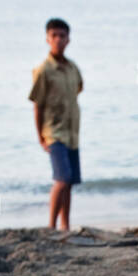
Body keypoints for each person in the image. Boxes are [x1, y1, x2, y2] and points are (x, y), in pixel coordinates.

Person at [29, 18, 83, 231]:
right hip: (53, 132)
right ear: (47, 39)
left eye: (62, 36)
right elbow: (37, 105)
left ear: (68, 39)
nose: (59, 40)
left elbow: (79, 89)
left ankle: (65, 225)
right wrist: (40, 136)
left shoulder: (72, 68)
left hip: (71, 132)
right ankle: (51, 226)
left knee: (70, 182)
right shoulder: (43, 71)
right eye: (55, 36)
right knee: (62, 178)